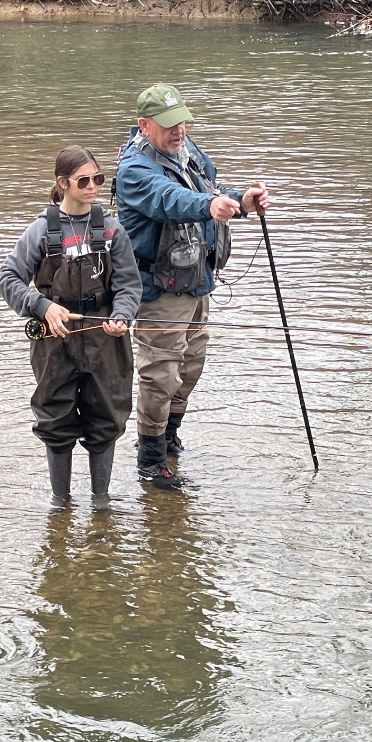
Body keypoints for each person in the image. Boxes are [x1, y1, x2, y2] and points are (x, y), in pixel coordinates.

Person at [115, 83, 269, 488]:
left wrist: (242, 202)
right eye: (168, 125)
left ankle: (169, 438)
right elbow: (170, 199)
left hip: (197, 280)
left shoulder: (187, 150)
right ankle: (149, 461)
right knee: (161, 374)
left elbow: (211, 192)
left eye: (182, 121)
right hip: (159, 288)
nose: (178, 130)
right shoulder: (134, 169)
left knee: (191, 367)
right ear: (143, 125)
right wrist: (210, 206)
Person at [0, 145, 142, 509]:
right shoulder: (41, 231)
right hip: (53, 340)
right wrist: (41, 306)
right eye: (84, 180)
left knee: (107, 415)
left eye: (98, 178)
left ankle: (101, 500)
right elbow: (8, 278)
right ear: (63, 184)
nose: (93, 186)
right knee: (55, 417)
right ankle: (59, 501)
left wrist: (122, 314)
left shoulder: (111, 230)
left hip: (105, 341)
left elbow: (128, 284)